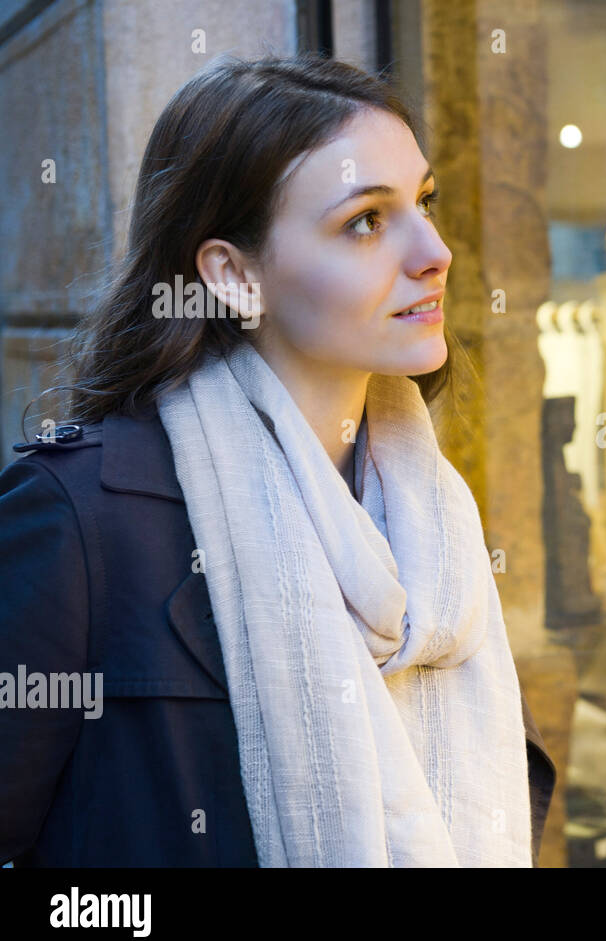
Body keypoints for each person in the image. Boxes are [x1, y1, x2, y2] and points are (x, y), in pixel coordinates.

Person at [0, 53, 553, 867]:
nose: (433, 250)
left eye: (423, 202)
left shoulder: (433, 518)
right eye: (366, 220)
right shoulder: (83, 516)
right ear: (232, 274)